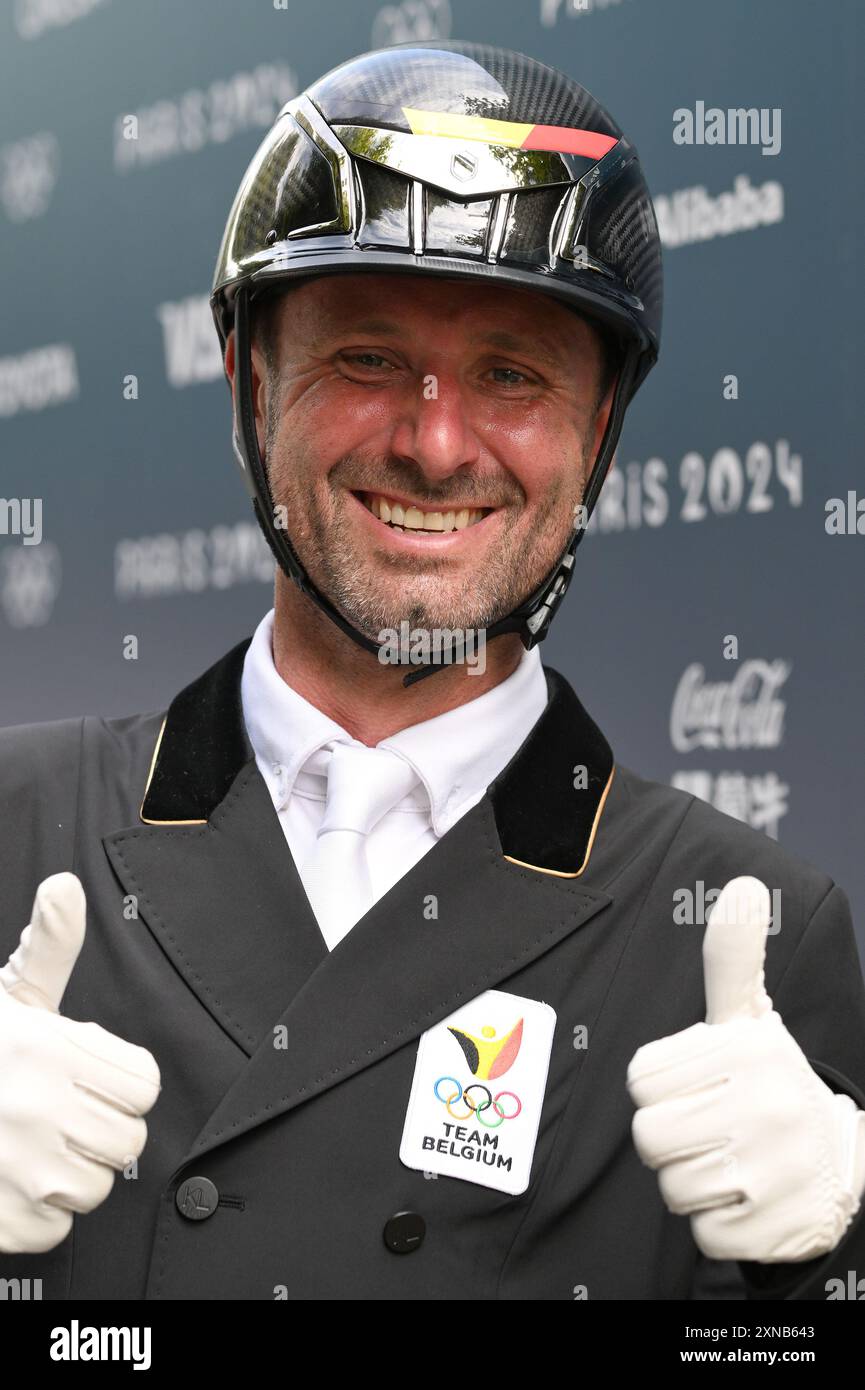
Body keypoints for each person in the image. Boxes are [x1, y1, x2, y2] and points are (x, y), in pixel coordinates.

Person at [1, 40, 863, 1302]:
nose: (434, 440)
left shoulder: (755, 927)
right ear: (249, 379)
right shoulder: (18, 822)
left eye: (511, 374)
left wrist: (833, 1268)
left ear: (600, 429)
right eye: (363, 358)